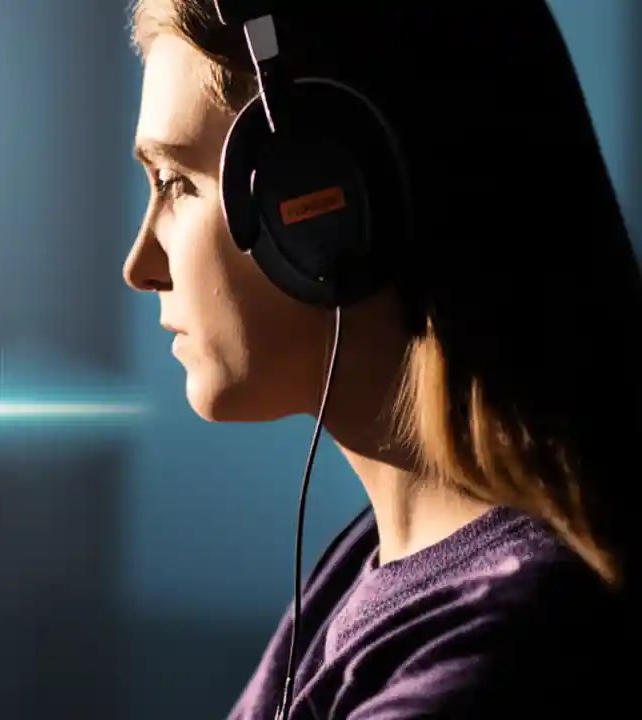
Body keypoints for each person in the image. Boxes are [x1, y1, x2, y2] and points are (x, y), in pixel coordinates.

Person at [121, 1, 637, 718]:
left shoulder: (500, 652)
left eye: (176, 182)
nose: (140, 265)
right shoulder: (371, 564)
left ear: (319, 197)